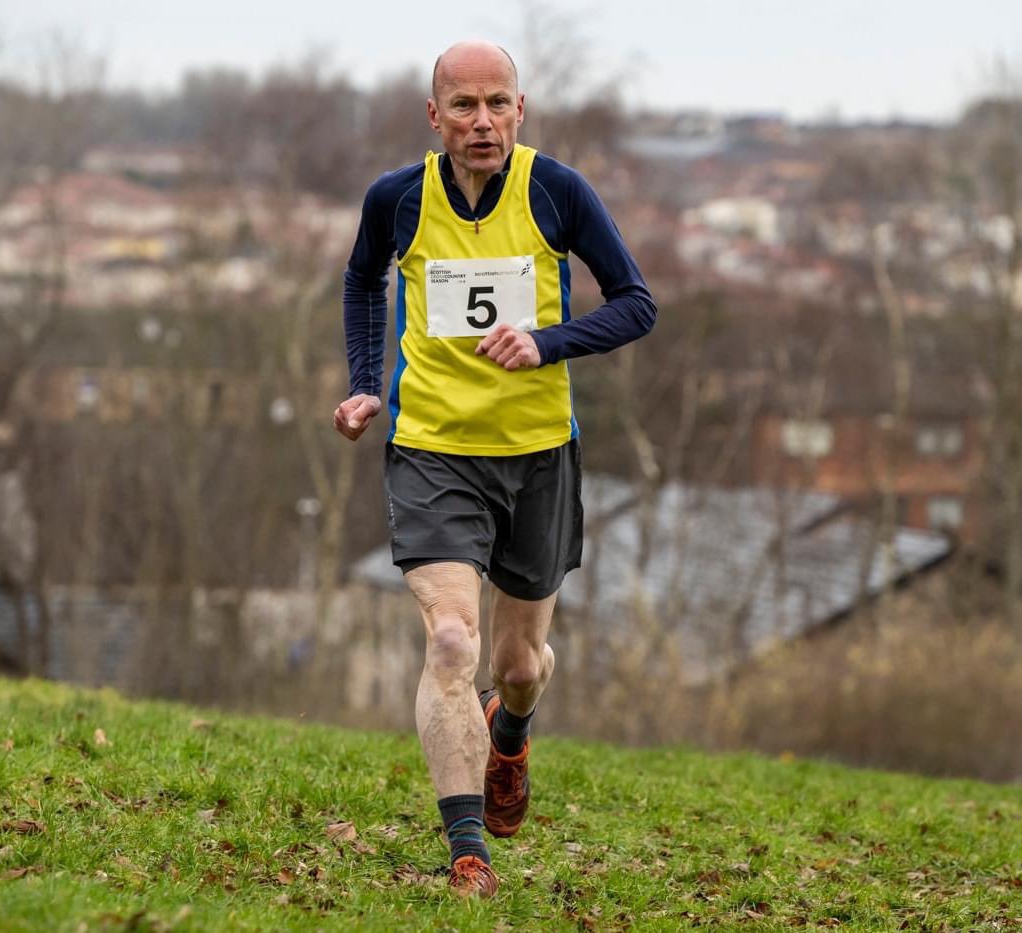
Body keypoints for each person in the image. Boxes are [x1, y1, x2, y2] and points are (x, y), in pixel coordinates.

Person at [334, 40, 655, 897]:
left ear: (523, 110)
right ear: (433, 117)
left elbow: (637, 303)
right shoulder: (397, 199)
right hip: (435, 448)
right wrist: (367, 386)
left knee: (519, 663)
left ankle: (509, 732)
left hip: (538, 455)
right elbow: (363, 279)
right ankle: (467, 851)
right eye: (465, 106)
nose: (482, 122)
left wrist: (546, 341)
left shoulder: (558, 192)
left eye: (498, 104)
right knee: (450, 638)